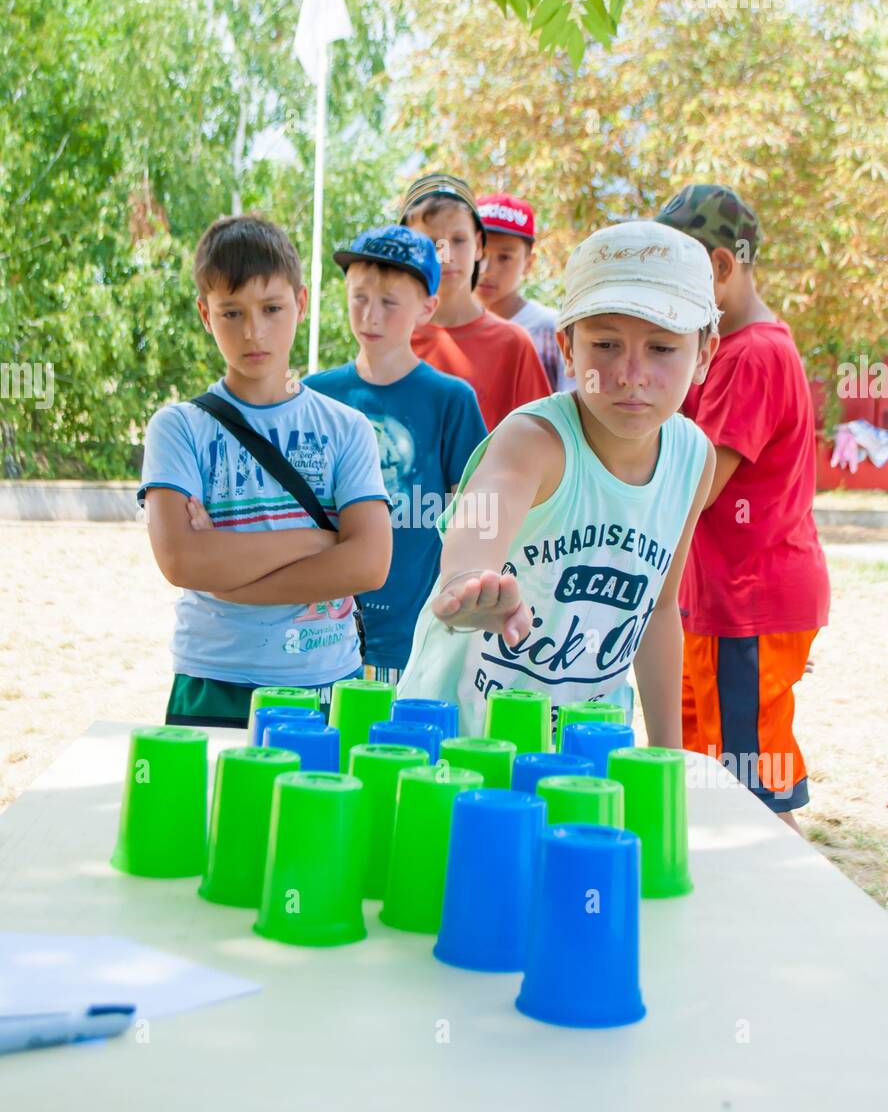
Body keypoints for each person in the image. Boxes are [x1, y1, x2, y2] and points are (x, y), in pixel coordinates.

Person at [397, 220, 719, 743]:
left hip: (583, 748)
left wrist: (667, 757)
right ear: (567, 349)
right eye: (607, 344)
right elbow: (480, 521)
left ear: (703, 354)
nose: (631, 373)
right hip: (459, 742)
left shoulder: (694, 458)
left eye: (662, 348)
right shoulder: (533, 440)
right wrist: (469, 583)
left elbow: (658, 610)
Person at [138, 212, 392, 728]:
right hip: (214, 679)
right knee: (210, 810)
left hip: (326, 682)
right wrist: (319, 541)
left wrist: (228, 575)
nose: (253, 331)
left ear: (299, 303)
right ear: (205, 316)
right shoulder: (179, 428)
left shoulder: (347, 428)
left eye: (271, 308)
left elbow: (369, 565)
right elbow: (182, 561)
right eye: (231, 313)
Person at [655, 184, 830, 829]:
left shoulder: (753, 354)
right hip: (721, 602)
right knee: (714, 780)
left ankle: (780, 915)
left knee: (751, 791)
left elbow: (701, 484)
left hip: (748, 602)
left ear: (722, 268)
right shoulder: (731, 348)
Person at [305, 224, 486, 686]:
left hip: (415, 639)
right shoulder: (313, 396)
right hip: (318, 636)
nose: (371, 316)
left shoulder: (451, 400)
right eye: (360, 297)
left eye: (389, 302)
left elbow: (478, 517)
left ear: (427, 308)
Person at [398, 172, 550, 429]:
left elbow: (544, 441)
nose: (446, 255)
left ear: (478, 245)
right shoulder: (391, 337)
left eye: (458, 240)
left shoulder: (514, 344)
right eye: (431, 242)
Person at [475, 193, 570, 391]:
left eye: (504, 257)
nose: (486, 269)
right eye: (479, 254)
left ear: (528, 264)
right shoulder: (439, 324)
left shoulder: (553, 331)